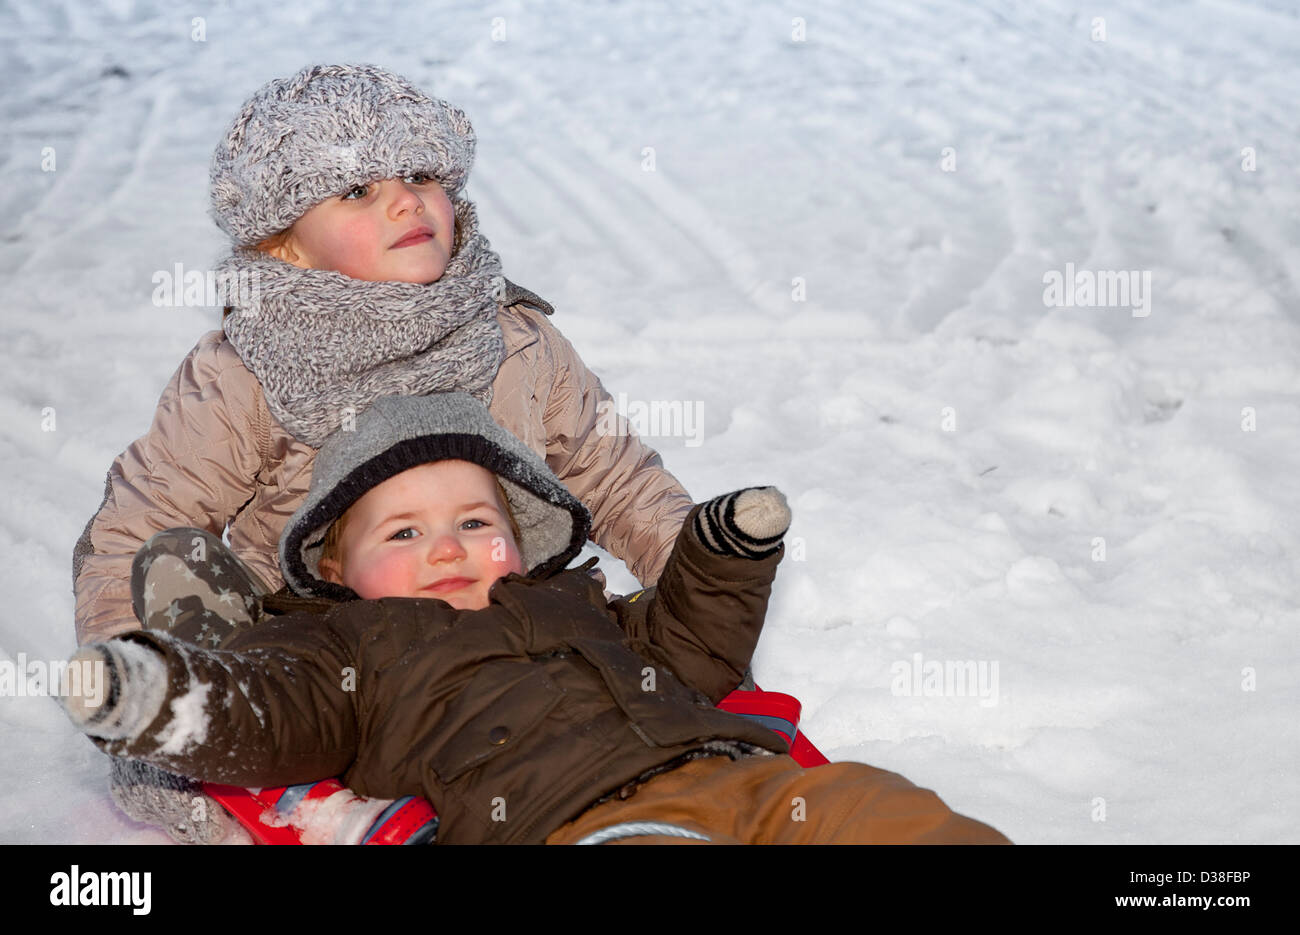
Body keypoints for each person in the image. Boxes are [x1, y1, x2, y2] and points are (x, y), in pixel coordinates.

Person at [69, 63, 696, 841]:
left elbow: (621, 481)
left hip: (503, 635)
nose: (407, 199)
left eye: (423, 173)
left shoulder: (515, 341)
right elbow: (136, 524)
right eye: (358, 190)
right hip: (322, 662)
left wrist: (696, 599)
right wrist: (140, 685)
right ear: (288, 245)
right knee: (173, 559)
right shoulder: (245, 369)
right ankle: (224, 729)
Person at [63, 394, 1010, 845]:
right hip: (572, 822)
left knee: (887, 812)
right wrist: (156, 695)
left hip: (740, 775)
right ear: (336, 571)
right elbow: (272, 721)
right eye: (404, 531)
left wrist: (722, 555)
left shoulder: (579, 603)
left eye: (475, 522)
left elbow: (694, 651)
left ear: (518, 538)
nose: (448, 547)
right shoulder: (349, 646)